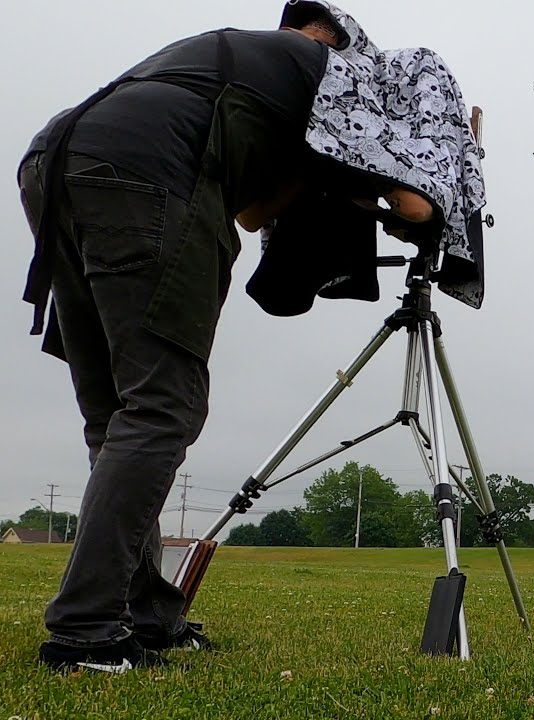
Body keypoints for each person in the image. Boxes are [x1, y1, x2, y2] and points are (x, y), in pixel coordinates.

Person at [15, 9, 428, 674]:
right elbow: (414, 209)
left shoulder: (234, 60)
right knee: (161, 408)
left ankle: (144, 618)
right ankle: (85, 630)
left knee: (118, 413)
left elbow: (252, 210)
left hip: (54, 160)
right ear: (341, 45)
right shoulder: (332, 75)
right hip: (142, 171)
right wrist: (441, 177)